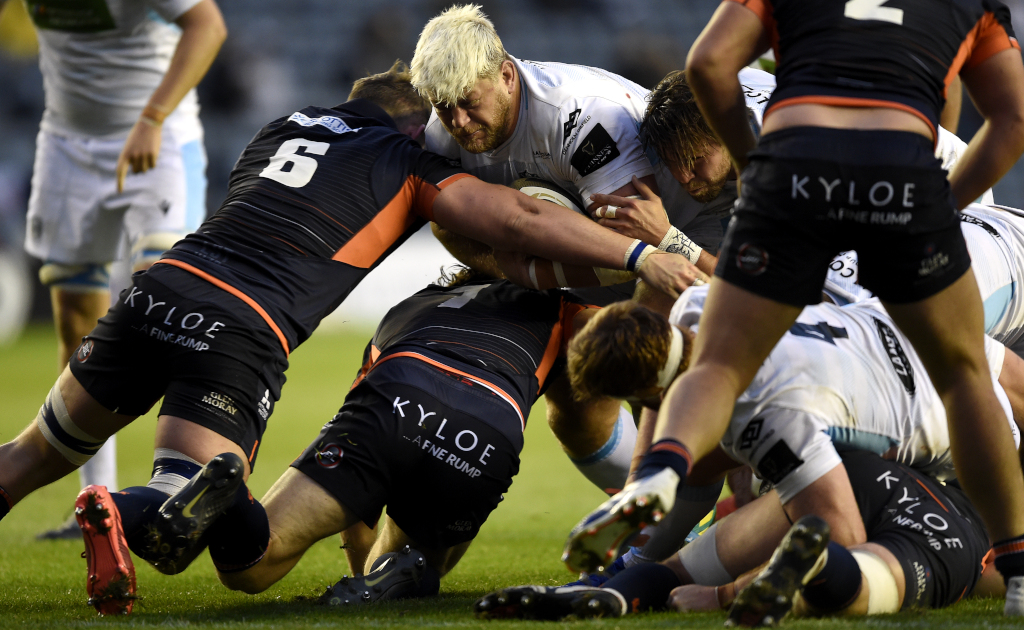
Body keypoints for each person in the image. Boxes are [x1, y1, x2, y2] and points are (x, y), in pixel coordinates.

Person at [0, 61, 697, 615]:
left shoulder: (279, 127)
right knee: (199, 515)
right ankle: (135, 506)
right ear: (414, 120)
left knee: (33, 452)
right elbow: (515, 221)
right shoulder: (412, 160)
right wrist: (639, 254)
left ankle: (190, 499)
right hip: (249, 325)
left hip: (169, 282)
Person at [568, 0, 1024, 616]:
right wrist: (944, 207)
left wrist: (756, 165)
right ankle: (1018, 567)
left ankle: (658, 475)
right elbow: (1014, 116)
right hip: (904, 173)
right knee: (965, 374)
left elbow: (707, 62)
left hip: (793, 165)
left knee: (719, 367)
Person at [409, 3, 775, 498]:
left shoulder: (584, 119)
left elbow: (641, 255)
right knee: (580, 403)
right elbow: (448, 226)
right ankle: (660, 520)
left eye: (468, 101)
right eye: (443, 106)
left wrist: (535, 257)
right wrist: (512, 263)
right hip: (641, 246)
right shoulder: (443, 132)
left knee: (664, 364)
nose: (458, 121)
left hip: (678, 233)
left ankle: (715, 504)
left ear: (506, 75)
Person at [176, 273, 599, 601]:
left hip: (397, 393)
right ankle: (393, 575)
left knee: (248, 568)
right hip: (488, 425)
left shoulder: (412, 303)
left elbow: (361, 506)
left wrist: (359, 568)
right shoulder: (564, 307)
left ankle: (235, 502)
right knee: (415, 565)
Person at [10, 0, 226, 538]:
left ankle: (183, 484)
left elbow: (208, 23)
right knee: (75, 321)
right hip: (66, 144)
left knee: (166, 304)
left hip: (160, 135)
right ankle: (94, 499)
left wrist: (152, 117)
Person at [475, 453, 1003, 621]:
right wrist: (724, 597)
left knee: (678, 572)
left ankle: (617, 592)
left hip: (863, 472)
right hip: (948, 535)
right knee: (869, 579)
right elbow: (998, 578)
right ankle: (818, 567)